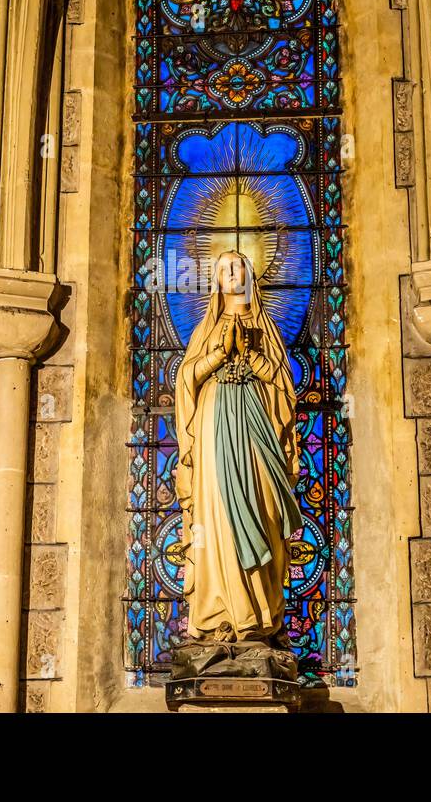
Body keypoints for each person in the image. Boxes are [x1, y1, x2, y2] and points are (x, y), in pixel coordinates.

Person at [174, 250, 301, 646]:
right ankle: (217, 618)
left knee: (261, 510)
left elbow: (284, 391)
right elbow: (186, 381)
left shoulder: (268, 331)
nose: (232, 272)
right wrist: (217, 355)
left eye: (238, 265)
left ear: (250, 275)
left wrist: (252, 357)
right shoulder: (205, 329)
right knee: (216, 520)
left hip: (257, 434)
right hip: (213, 434)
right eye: (224, 268)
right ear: (215, 280)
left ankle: (260, 621)